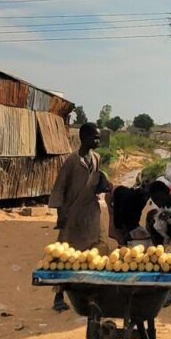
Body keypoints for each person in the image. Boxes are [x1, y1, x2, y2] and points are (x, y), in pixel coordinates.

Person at [49, 122, 107, 311]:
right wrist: (60, 215)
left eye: (99, 137)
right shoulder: (72, 161)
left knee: (94, 251)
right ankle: (59, 295)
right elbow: (60, 188)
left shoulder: (97, 158)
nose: (98, 140)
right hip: (72, 214)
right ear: (84, 138)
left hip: (90, 213)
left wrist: (104, 184)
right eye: (94, 137)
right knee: (64, 254)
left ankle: (89, 292)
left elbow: (97, 182)